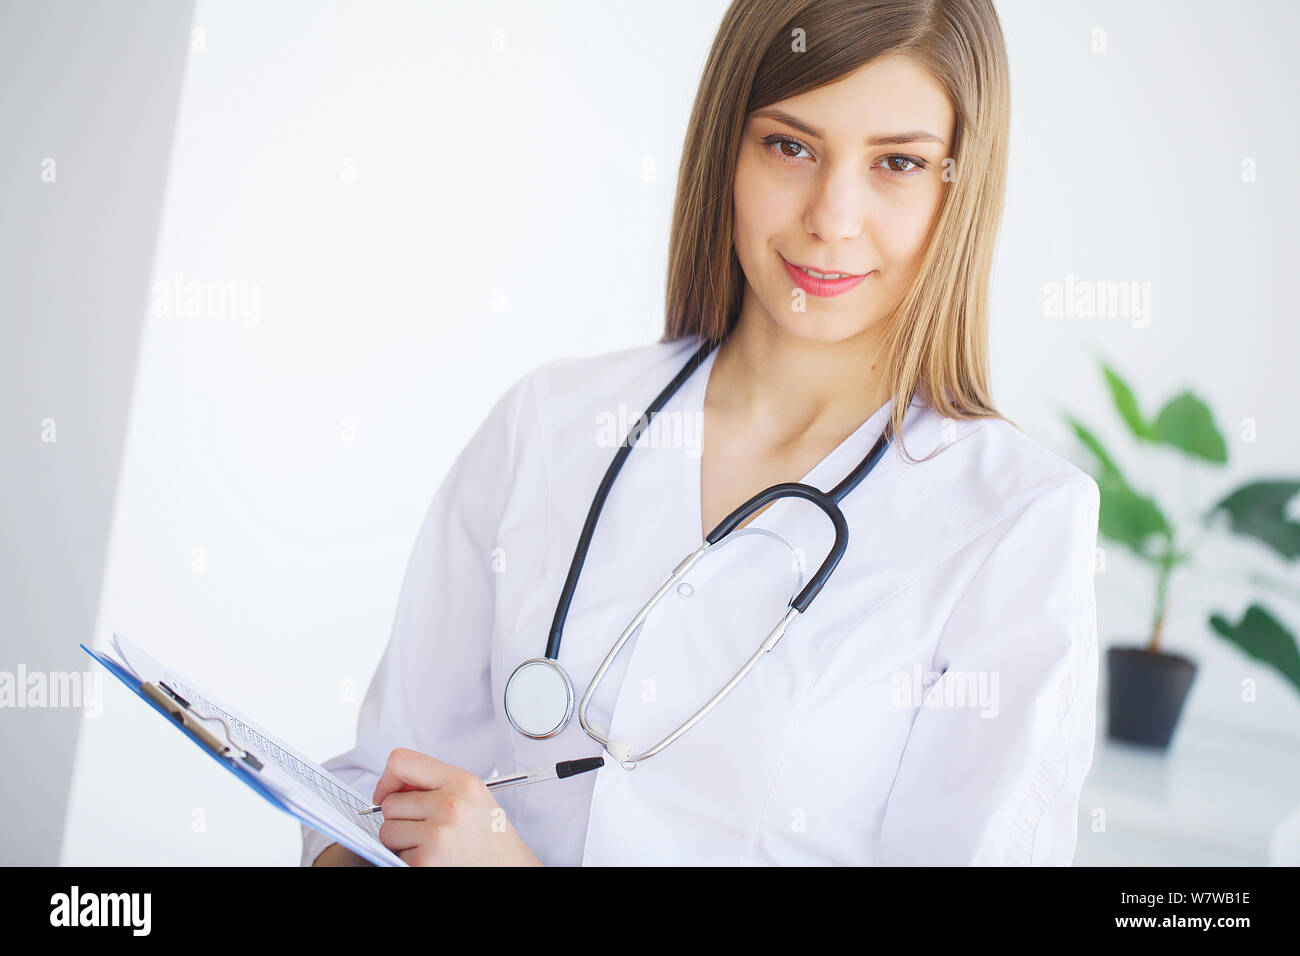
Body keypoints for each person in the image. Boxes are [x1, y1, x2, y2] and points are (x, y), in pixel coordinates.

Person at [306, 0, 1101, 866]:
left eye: (898, 163)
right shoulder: (552, 425)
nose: (832, 218)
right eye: (790, 146)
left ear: (961, 185)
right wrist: (358, 842)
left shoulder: (1016, 525)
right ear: (726, 145)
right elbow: (379, 785)